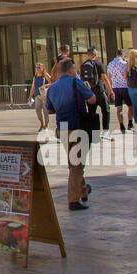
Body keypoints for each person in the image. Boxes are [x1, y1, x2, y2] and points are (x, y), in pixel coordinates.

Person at [45, 59, 93, 211]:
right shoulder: (76, 83)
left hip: (62, 127)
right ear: (71, 70)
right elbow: (92, 99)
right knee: (77, 164)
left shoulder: (52, 88)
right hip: (77, 125)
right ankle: (73, 200)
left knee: (74, 162)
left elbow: (50, 109)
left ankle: (83, 190)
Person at [80, 47, 112, 140]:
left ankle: (93, 133)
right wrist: (110, 91)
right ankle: (105, 131)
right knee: (106, 111)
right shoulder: (98, 63)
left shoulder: (84, 64)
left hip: (89, 92)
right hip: (100, 91)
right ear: (95, 54)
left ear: (88, 54)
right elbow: (105, 78)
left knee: (91, 113)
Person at [107, 49, 132, 132]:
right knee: (130, 106)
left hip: (115, 88)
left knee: (119, 108)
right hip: (125, 87)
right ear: (123, 54)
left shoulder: (110, 64)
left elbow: (109, 77)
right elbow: (126, 76)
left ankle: (121, 125)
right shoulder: (125, 64)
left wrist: (110, 89)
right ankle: (130, 123)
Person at [30, 63, 49, 132]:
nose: (37, 69)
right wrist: (30, 96)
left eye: (39, 67)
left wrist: (45, 85)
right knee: (37, 110)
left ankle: (46, 125)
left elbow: (52, 82)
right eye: (36, 67)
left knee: (45, 111)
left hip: (44, 96)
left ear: (43, 68)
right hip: (37, 95)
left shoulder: (45, 75)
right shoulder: (35, 77)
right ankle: (42, 123)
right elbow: (33, 87)